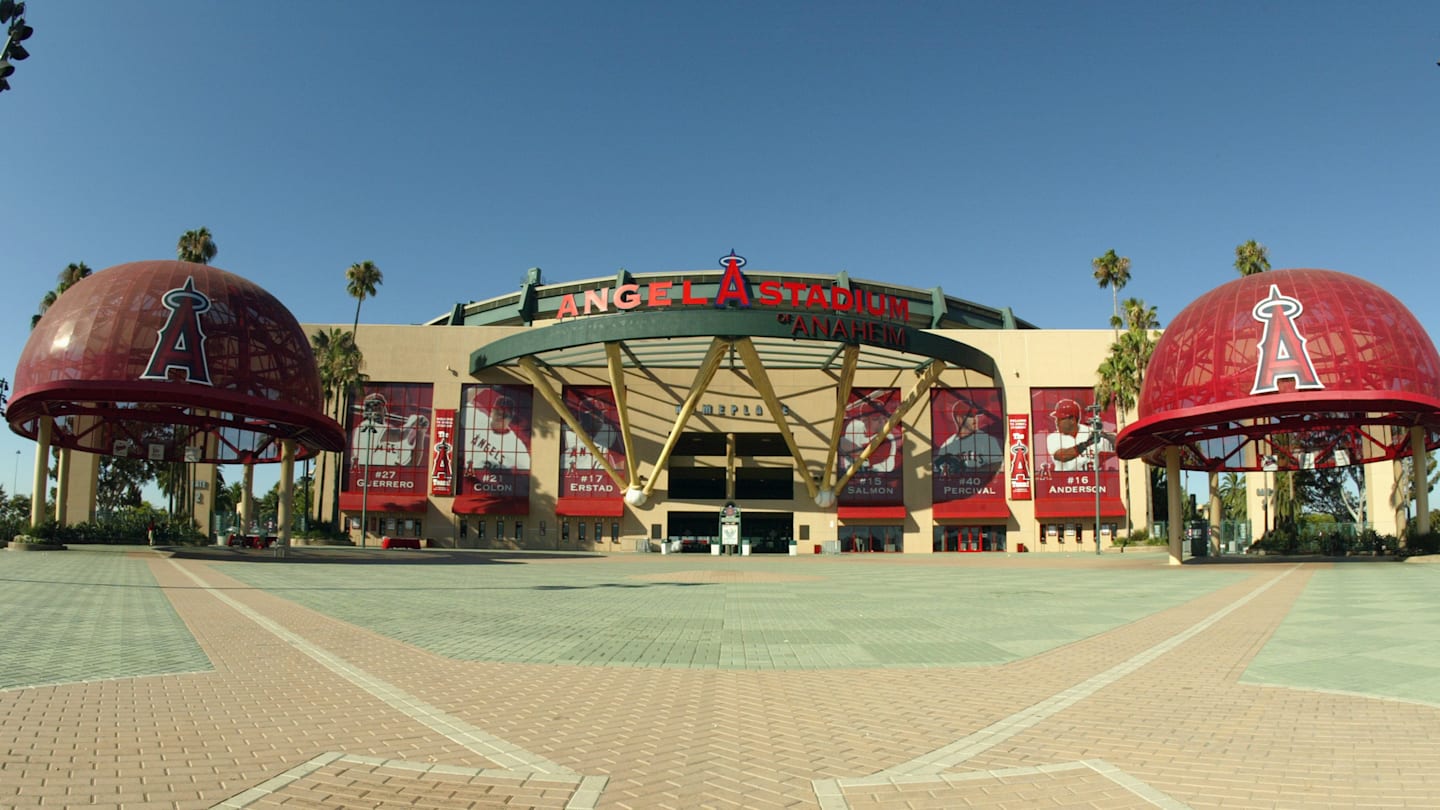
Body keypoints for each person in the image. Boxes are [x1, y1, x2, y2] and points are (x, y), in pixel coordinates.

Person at [465, 392, 531, 476]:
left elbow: (528, 470)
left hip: (490, 485)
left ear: (510, 418)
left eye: (504, 415)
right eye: (497, 412)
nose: (499, 417)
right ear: (492, 411)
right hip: (465, 475)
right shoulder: (477, 419)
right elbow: (463, 402)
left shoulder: (516, 446)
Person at [934, 397, 1002, 474]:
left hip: (982, 485)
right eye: (970, 415)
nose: (975, 418)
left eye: (976, 415)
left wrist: (968, 472)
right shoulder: (947, 446)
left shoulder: (988, 441)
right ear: (959, 419)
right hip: (956, 486)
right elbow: (941, 472)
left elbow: (998, 466)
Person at [1045, 398, 1112, 472]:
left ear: (1072, 420)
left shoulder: (1090, 431)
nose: (1056, 422)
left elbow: (1117, 445)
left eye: (1060, 419)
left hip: (1092, 481)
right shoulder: (1053, 438)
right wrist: (1087, 443)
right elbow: (1062, 456)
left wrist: (1105, 435)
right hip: (1064, 481)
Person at [838, 396, 897, 473]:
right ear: (864, 419)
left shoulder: (887, 439)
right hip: (852, 478)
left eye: (883, 418)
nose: (882, 422)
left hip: (880, 478)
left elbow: (860, 454)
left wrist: (840, 441)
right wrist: (840, 415)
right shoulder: (854, 426)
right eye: (875, 418)